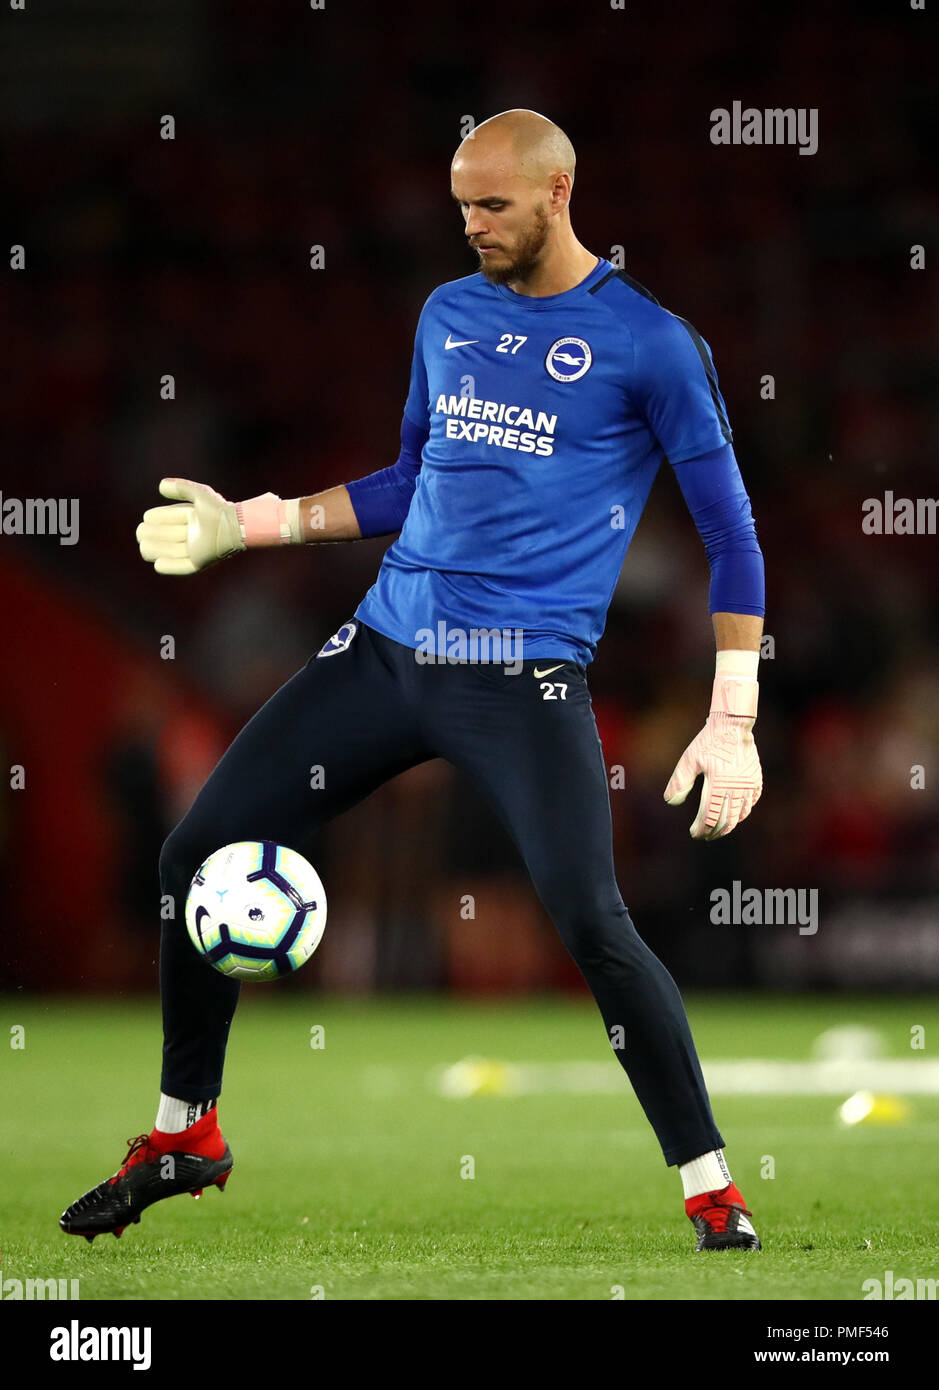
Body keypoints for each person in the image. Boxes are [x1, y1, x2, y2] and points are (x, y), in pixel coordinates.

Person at [61, 110, 765, 1253]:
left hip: (522, 676)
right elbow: (407, 480)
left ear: (559, 191)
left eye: (493, 206)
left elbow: (732, 531)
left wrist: (733, 716)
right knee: (192, 852)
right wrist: (251, 524)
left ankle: (712, 1183)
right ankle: (185, 1132)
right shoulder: (448, 313)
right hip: (386, 651)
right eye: (461, 207)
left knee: (591, 918)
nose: (473, 226)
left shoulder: (652, 346)